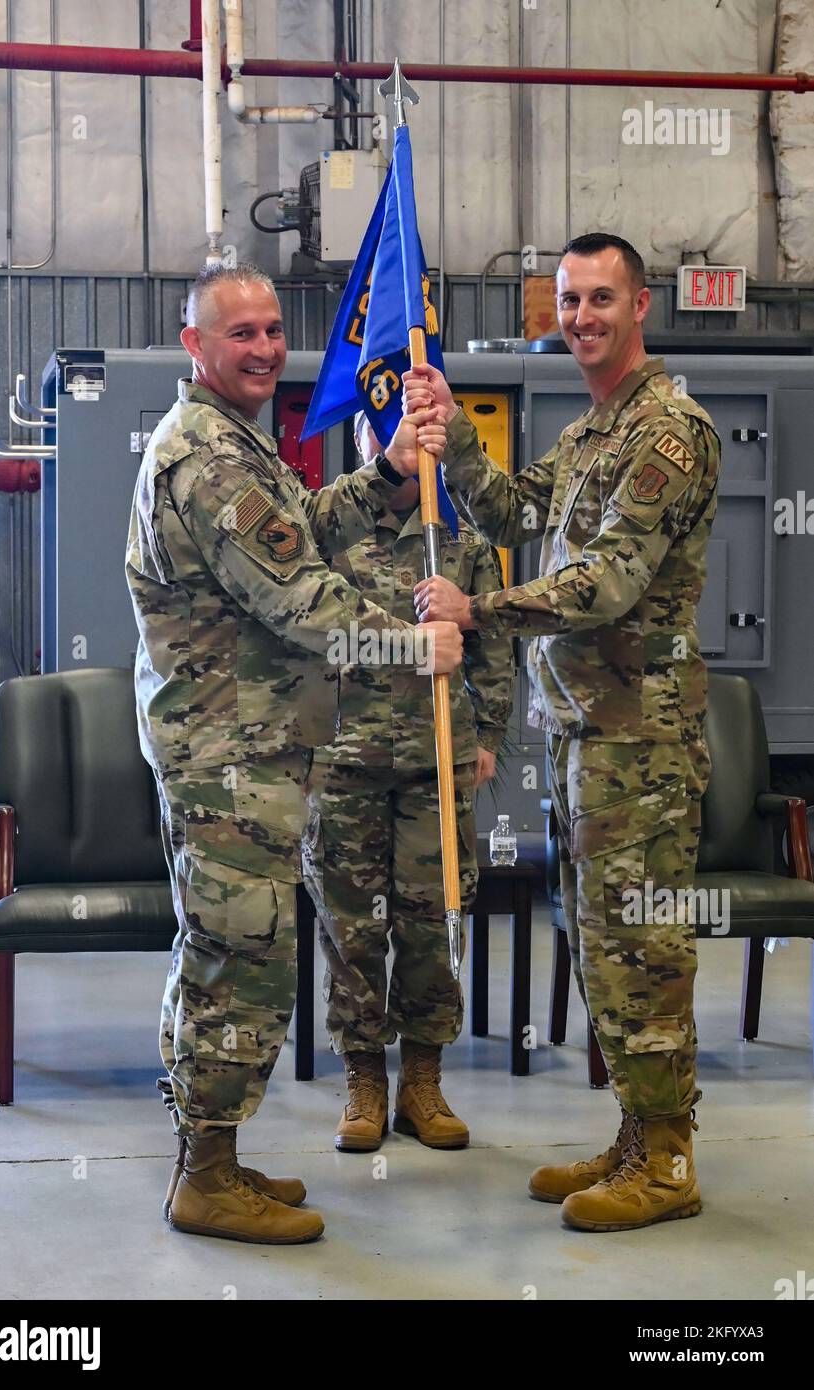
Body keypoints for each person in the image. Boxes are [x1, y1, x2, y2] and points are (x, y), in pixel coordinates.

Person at [125, 261, 462, 1245]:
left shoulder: (237, 443)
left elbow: (298, 534)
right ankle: (204, 1176)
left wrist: (391, 472)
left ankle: (217, 1155)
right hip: (229, 759)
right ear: (196, 345)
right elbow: (301, 600)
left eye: (274, 329)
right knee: (238, 959)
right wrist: (413, 644)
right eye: (241, 333)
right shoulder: (208, 458)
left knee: (240, 953)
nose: (266, 348)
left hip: (252, 753)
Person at [402, 232, 721, 1233]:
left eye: (599, 300)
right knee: (598, 943)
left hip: (641, 741)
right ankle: (635, 1132)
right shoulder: (592, 435)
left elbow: (607, 582)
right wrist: (450, 432)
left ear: (641, 309)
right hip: (586, 731)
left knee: (643, 945)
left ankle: (667, 1158)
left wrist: (477, 612)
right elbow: (511, 508)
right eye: (568, 301)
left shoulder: (668, 433)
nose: (580, 318)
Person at [302, 411, 515, 1153]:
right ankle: (364, 1080)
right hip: (343, 759)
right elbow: (308, 630)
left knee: (432, 924)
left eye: (416, 432)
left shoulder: (462, 534)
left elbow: (491, 646)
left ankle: (422, 1081)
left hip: (437, 761)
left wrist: (486, 737)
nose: (404, 446)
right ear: (363, 437)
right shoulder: (326, 529)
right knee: (351, 929)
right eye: (386, 431)